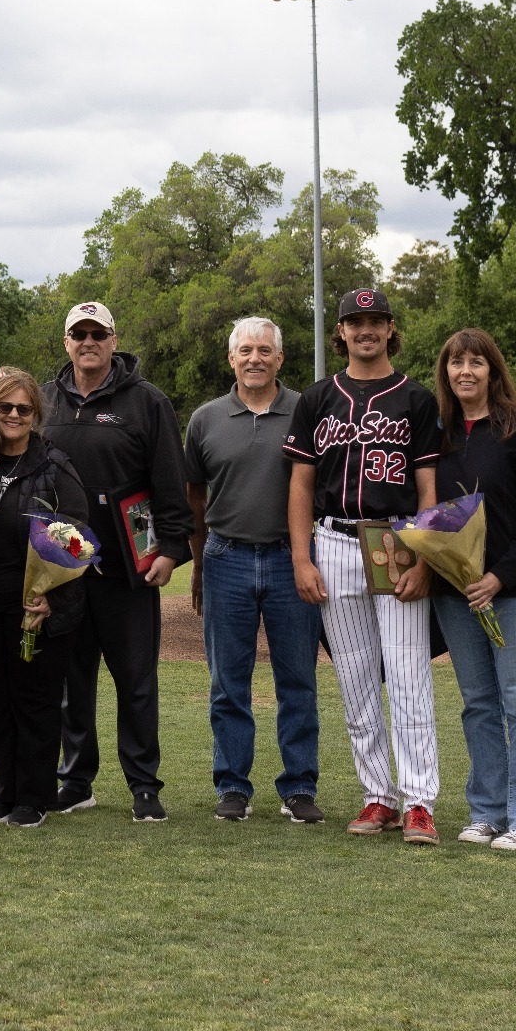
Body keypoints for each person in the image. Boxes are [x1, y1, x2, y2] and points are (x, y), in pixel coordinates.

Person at [285, 288, 443, 844]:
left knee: (407, 675)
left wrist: (424, 557)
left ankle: (419, 801)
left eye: (376, 320)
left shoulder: (416, 398)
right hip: (332, 541)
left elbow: (427, 486)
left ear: (390, 328)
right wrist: (302, 556)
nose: (366, 329)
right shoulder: (316, 399)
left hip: (397, 538)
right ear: (343, 332)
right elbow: (301, 483)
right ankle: (379, 795)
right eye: (356, 321)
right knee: (354, 680)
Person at [44, 300, 191, 823]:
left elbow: (170, 479)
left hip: (129, 567)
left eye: (97, 334)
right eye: (78, 334)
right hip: (64, 566)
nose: (88, 342)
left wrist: (172, 549)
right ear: (66, 342)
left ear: (113, 339)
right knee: (70, 679)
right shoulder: (46, 400)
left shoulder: (146, 401)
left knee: (135, 680)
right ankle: (76, 780)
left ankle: (144, 785)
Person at [183, 317, 325, 825]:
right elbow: (194, 499)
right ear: (232, 359)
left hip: (293, 560)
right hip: (226, 557)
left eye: (265, 350)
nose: (255, 358)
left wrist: (306, 557)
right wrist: (199, 564)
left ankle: (299, 786)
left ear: (280, 359)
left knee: (298, 679)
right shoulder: (205, 419)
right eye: (245, 350)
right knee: (228, 682)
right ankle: (233, 786)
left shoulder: (306, 411)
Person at [429, 328, 516, 851]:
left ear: (493, 370)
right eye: (456, 363)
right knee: (479, 703)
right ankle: (487, 811)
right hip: (456, 593)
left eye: (476, 363)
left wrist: (498, 576)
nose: (465, 372)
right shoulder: (439, 435)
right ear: (445, 372)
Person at [0, 371, 89, 829]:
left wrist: (51, 598)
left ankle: (34, 797)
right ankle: (5, 792)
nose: (14, 416)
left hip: (37, 606)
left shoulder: (55, 466)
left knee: (34, 702)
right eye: (5, 408)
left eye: (23, 409)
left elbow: (77, 538)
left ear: (36, 416)